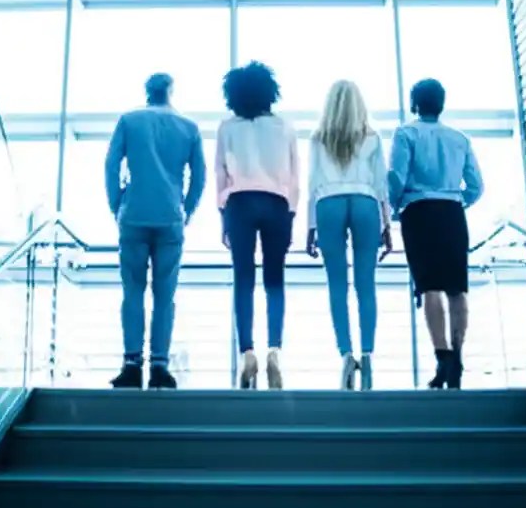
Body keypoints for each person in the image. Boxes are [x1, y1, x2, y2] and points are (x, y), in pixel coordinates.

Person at [104, 73, 206, 389]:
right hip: (169, 218)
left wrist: (116, 204)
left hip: (133, 214)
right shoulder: (188, 128)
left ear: (146, 92)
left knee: (132, 290)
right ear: (171, 92)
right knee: (165, 294)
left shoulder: (129, 120)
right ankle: (160, 365)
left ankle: (132, 363)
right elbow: (199, 176)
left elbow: (111, 165)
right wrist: (186, 209)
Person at [388, 78, 483, 390]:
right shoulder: (459, 138)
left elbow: (396, 178)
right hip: (452, 213)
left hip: (419, 212)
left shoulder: (406, 133)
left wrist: (395, 207)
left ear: (415, 103)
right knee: (457, 288)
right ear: (441, 104)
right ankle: (457, 357)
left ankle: (442, 357)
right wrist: (458, 201)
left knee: (429, 287)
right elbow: (476, 186)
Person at [215, 62, 299, 390]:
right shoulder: (284, 128)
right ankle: (274, 351)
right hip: (277, 204)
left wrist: (223, 216)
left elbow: (221, 177)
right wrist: (290, 215)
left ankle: (247, 351)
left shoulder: (228, 128)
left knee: (243, 280)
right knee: (275, 280)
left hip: (239, 204)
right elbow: (294, 178)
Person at [305, 80, 392, 391]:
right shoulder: (371, 138)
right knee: (366, 284)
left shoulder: (318, 139)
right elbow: (382, 185)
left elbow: (313, 185)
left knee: (337, 285)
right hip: (366, 203)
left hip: (328, 204)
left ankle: (346, 353)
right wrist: (387, 225)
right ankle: (367, 354)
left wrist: (310, 227)